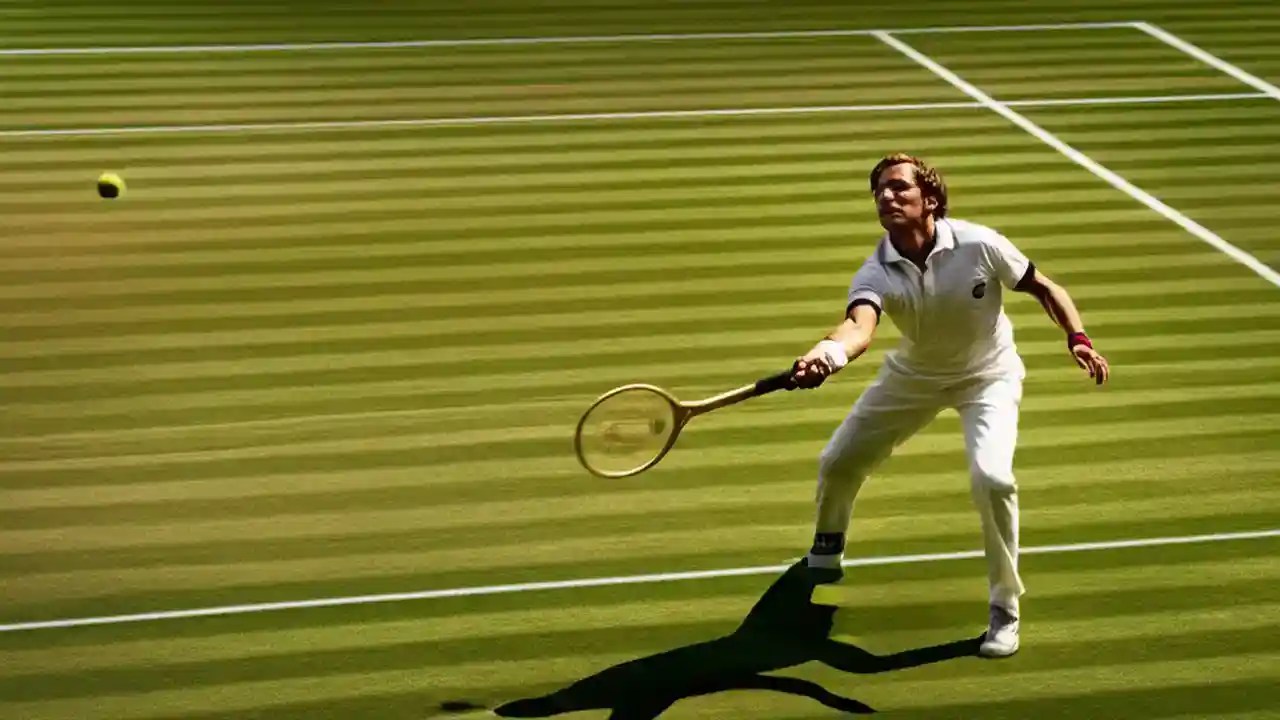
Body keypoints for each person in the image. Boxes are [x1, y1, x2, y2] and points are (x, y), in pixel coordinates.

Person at [788, 153, 1110, 658]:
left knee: (994, 479)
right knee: (837, 461)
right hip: (915, 376)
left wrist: (1078, 337)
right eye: (879, 191)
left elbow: (1045, 287)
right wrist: (825, 355)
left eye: (898, 188)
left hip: (990, 376)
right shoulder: (876, 270)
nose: (886, 197)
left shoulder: (980, 243)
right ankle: (827, 546)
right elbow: (858, 327)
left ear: (930, 200)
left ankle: (1005, 608)